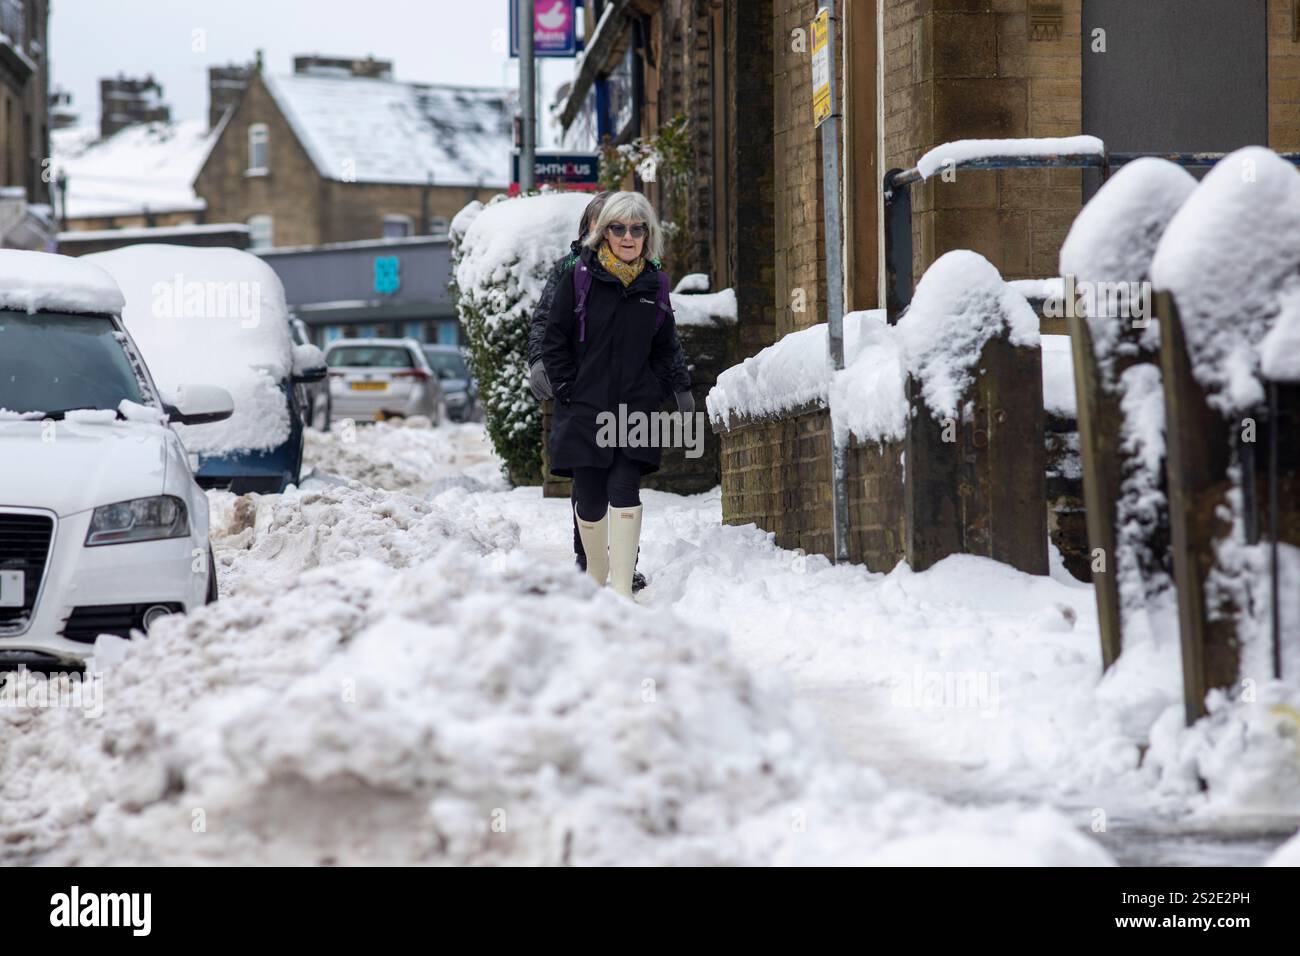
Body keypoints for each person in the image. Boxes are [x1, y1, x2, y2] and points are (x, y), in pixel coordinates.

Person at [527, 192, 693, 592]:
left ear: (647, 234)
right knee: (588, 494)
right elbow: (551, 332)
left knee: (624, 487)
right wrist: (564, 385)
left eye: (637, 229)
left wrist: (672, 387)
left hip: (634, 408)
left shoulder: (654, 283)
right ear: (600, 232)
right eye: (617, 228)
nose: (627, 236)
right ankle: (592, 570)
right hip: (585, 405)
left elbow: (665, 342)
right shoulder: (575, 275)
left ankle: (620, 584)